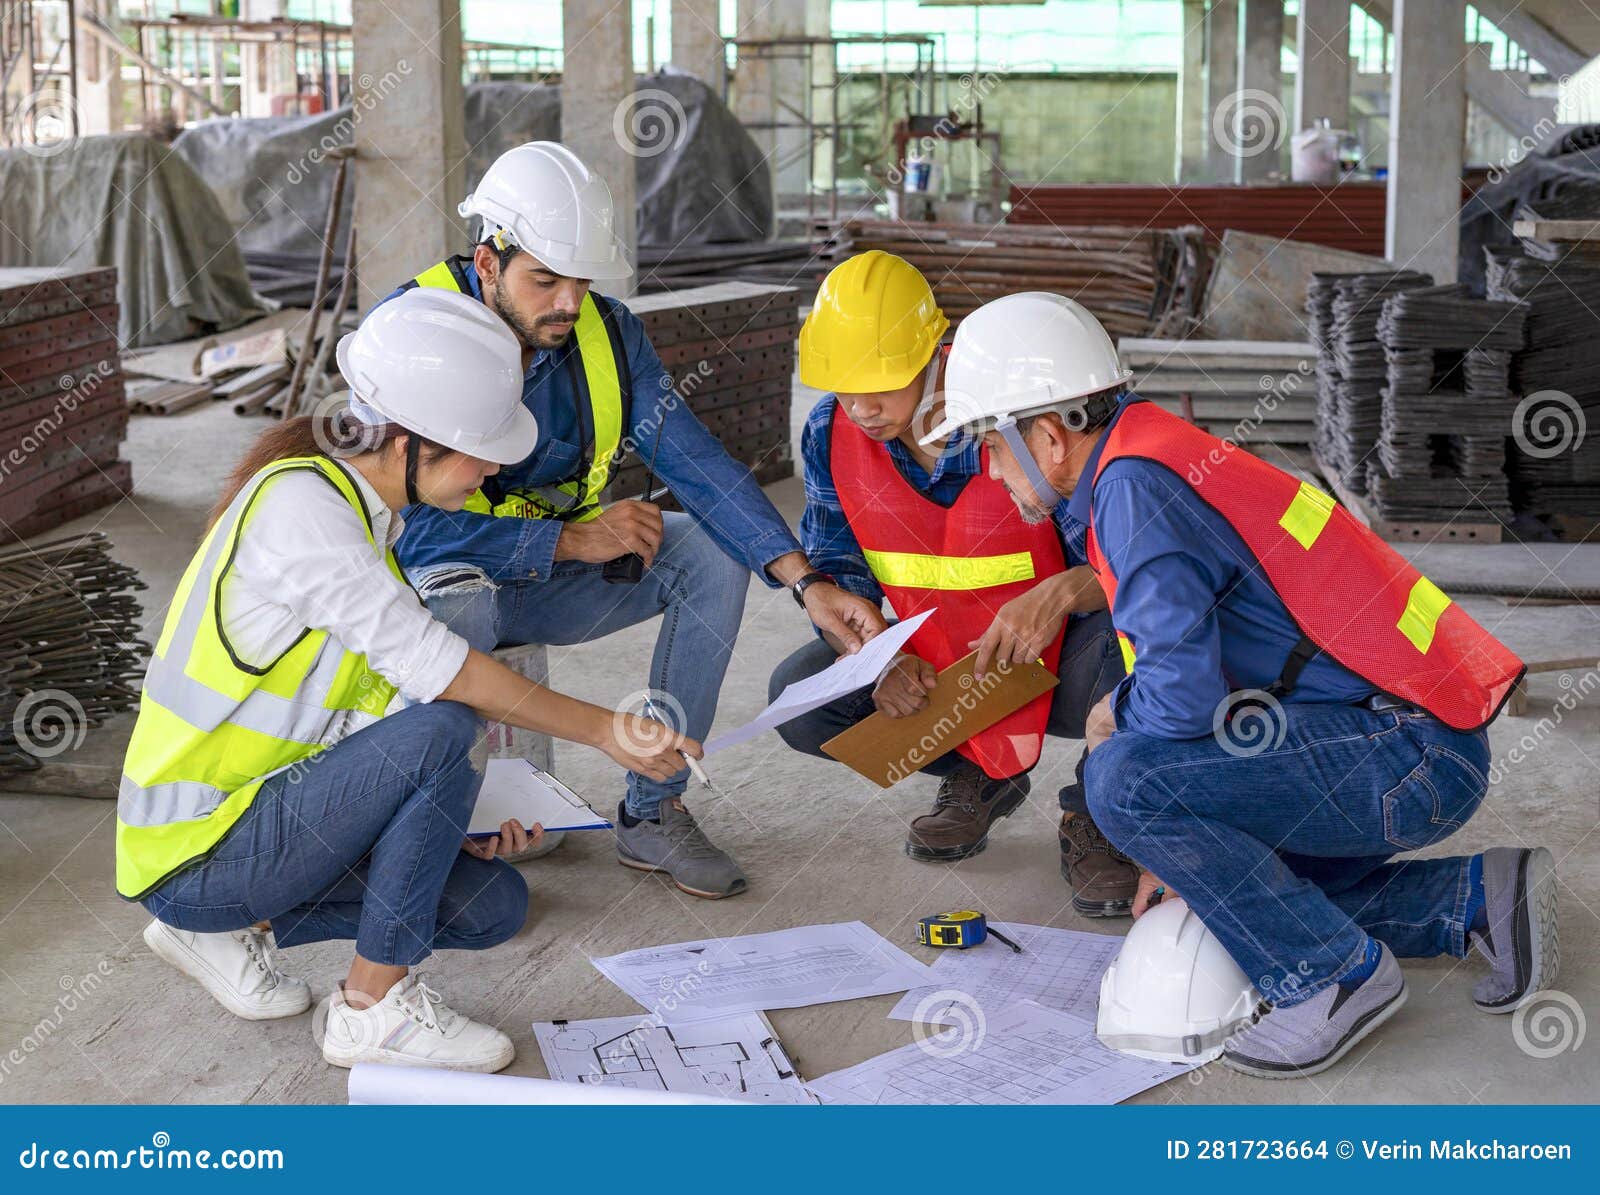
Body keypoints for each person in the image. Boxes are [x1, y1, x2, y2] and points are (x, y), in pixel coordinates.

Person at [924, 290, 1556, 1078]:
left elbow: (1180, 698)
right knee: (1240, 905)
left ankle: (1334, 977)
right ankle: (1473, 896)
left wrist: (1114, 720)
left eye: (990, 440)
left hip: (1406, 755)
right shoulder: (1145, 453)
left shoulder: (1132, 491)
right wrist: (1180, 848)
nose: (985, 465)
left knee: (1119, 780)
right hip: (1403, 741)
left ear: (1049, 437)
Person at [118, 289, 698, 1074]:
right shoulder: (302, 511)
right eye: (478, 449)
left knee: (492, 906)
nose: (493, 469)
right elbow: (441, 676)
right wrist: (608, 731)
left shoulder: (363, 517)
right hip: (197, 842)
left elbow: (370, 717)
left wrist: (465, 818)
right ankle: (369, 1011)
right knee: (448, 724)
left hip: (262, 811)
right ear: (408, 443)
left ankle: (231, 927)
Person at [375, 142, 884, 900]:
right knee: (461, 597)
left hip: (554, 582)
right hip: (442, 588)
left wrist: (805, 580)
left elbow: (699, 466)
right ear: (487, 262)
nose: (567, 304)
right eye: (544, 279)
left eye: (580, 280)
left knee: (710, 554)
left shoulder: (609, 337)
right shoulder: (411, 333)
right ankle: (428, 828)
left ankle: (653, 809)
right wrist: (570, 536)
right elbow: (406, 525)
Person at [768, 252, 1135, 914]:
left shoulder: (1017, 411)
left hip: (1057, 659)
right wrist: (874, 653)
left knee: (1140, 634)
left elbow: (1135, 560)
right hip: (940, 664)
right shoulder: (831, 429)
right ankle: (982, 769)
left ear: (934, 351)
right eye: (844, 385)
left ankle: (1099, 813)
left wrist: (1053, 600)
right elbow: (839, 563)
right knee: (798, 699)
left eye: (880, 380)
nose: (863, 405)